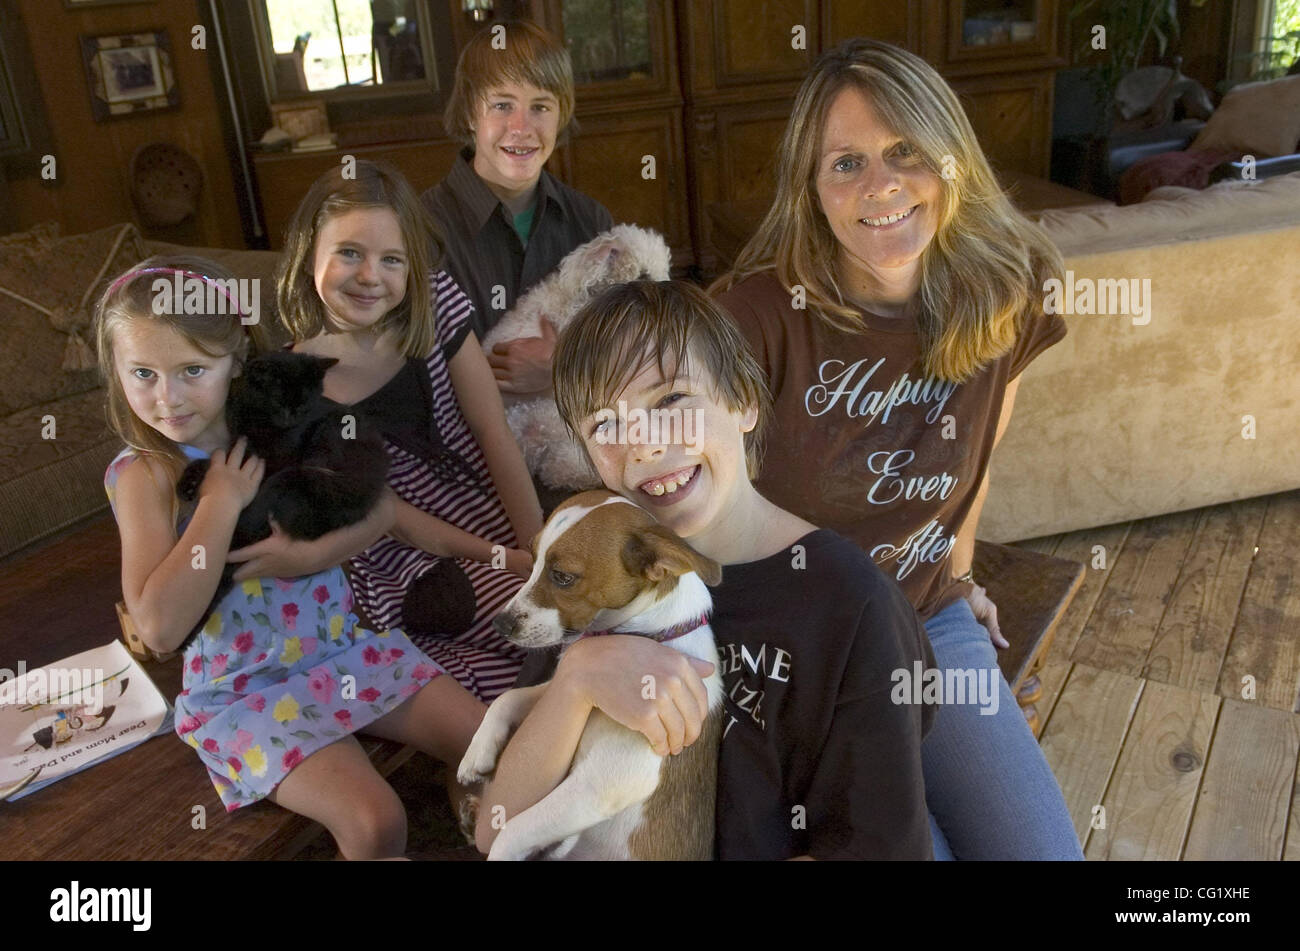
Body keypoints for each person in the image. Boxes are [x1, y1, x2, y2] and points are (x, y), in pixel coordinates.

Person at [710, 38, 1081, 860]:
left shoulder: (1003, 291)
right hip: (808, 662)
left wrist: (960, 567)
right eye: (845, 162)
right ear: (811, 189)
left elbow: (980, 456)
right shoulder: (755, 317)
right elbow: (665, 473)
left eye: (905, 151)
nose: (880, 185)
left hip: (927, 619)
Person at [476, 281, 937, 860]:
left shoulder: (849, 603)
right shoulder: (597, 575)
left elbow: (875, 848)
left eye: (670, 401)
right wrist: (575, 682)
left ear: (744, 400)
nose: (643, 446)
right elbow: (497, 828)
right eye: (605, 426)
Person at [95, 254, 478, 859]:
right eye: (142, 373)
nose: (166, 398)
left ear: (239, 362)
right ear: (115, 370)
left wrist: (307, 555)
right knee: (376, 819)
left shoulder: (281, 424)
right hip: (243, 693)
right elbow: (160, 628)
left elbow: (379, 509)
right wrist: (219, 503)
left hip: (344, 650)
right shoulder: (148, 474)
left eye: (192, 370)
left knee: (488, 744)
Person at [248, 159, 545, 704]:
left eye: (392, 260)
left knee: (583, 604)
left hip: (495, 511)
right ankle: (482, 705)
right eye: (349, 253)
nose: (370, 277)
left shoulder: (435, 305)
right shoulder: (291, 390)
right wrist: (510, 563)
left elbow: (492, 431)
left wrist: (538, 549)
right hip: (412, 561)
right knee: (544, 635)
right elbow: (395, 520)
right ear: (308, 249)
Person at [421, 19, 614, 398]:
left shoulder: (593, 223)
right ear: (469, 115)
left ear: (561, 117)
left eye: (540, 106)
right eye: (502, 105)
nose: (521, 127)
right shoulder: (419, 230)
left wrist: (561, 370)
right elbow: (414, 377)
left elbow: (625, 353)